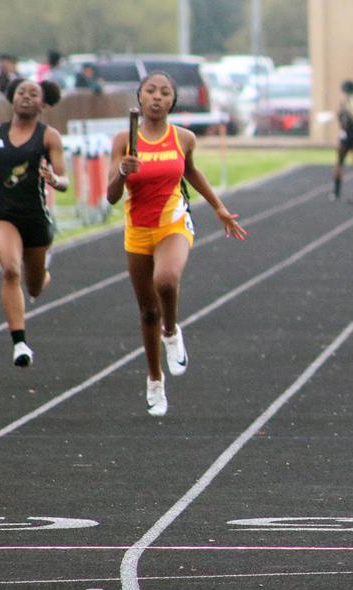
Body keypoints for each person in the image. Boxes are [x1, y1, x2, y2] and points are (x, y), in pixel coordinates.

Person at [106, 72, 248, 416]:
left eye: (165, 92)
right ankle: (155, 380)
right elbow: (110, 197)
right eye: (151, 91)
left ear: (173, 100)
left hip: (173, 223)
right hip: (138, 229)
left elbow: (191, 171)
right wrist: (123, 171)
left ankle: (171, 332)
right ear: (140, 97)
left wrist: (219, 208)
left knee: (166, 281)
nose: (157, 97)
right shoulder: (124, 140)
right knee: (147, 311)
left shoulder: (183, 138)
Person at [0, 80, 69, 368]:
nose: (26, 97)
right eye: (21, 93)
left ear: (44, 104)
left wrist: (54, 179)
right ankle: (20, 344)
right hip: (3, 216)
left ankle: (42, 270)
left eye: (33, 94)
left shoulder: (48, 136)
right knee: (11, 270)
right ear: (12, 98)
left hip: (36, 220)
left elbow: (64, 179)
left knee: (35, 287)